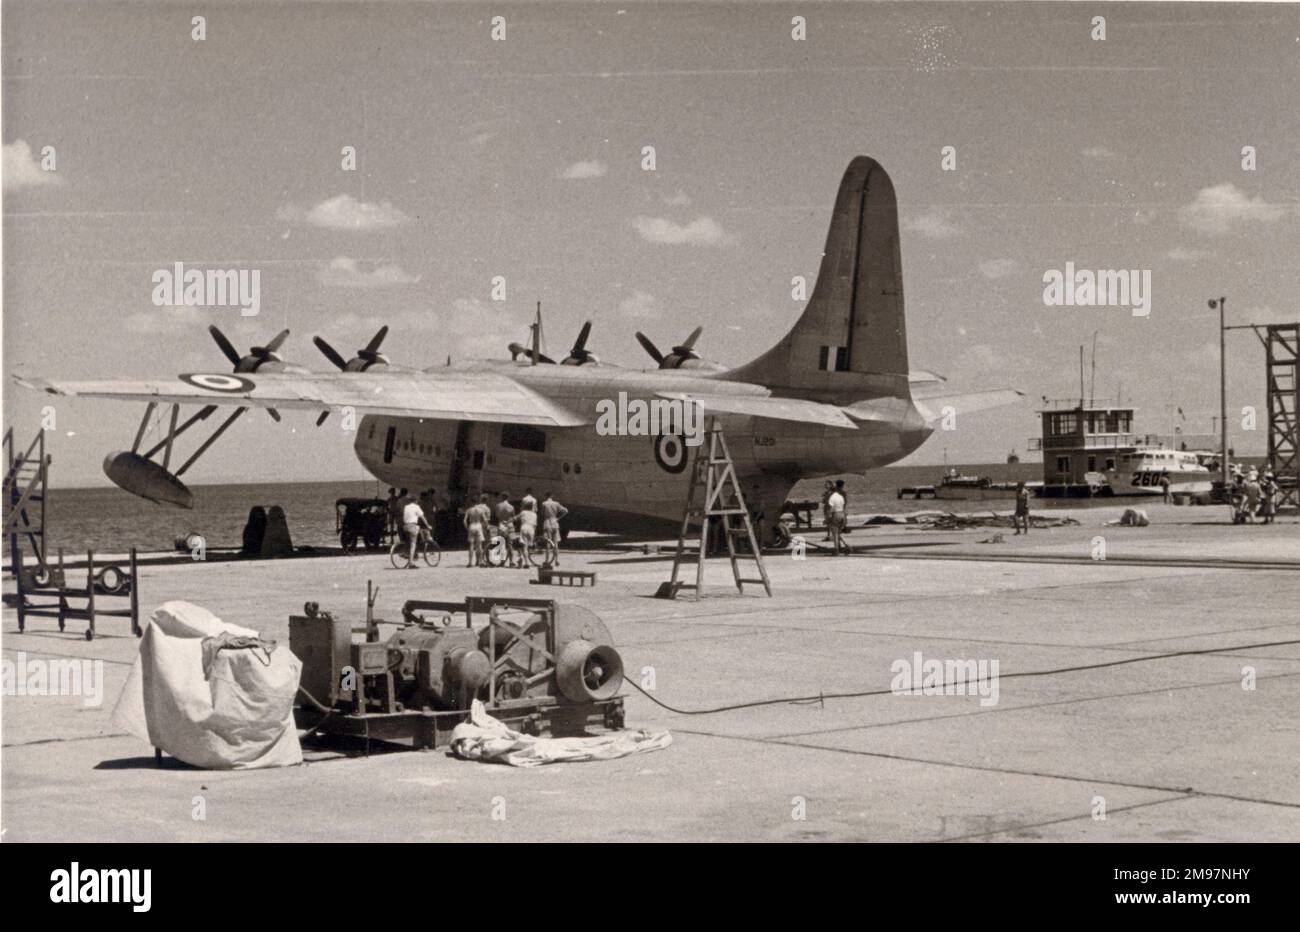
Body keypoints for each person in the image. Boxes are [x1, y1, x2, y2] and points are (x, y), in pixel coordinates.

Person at [400, 493, 429, 568]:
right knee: (413, 544)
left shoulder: (406, 507)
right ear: (416, 501)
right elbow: (422, 517)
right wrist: (428, 525)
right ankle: (411, 563)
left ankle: (405, 552)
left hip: (405, 526)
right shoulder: (416, 507)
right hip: (413, 525)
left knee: (408, 541)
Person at [464, 494, 492, 567]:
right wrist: (486, 526)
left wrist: (467, 528)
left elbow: (464, 521)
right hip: (479, 525)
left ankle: (470, 562)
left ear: (471, 502)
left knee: (471, 545)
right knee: (480, 545)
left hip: (472, 525)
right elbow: (485, 520)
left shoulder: (469, 510)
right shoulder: (481, 510)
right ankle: (481, 561)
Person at [541, 492, 568, 564]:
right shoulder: (556, 503)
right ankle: (556, 560)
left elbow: (542, 514)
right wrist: (558, 518)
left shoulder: (544, 504)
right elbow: (566, 511)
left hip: (547, 522)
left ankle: (547, 560)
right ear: (552, 496)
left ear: (546, 496)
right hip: (555, 522)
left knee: (548, 542)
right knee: (556, 543)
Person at [495, 491, 518, 568]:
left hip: (501, 524)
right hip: (509, 525)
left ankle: (502, 561)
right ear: (508, 497)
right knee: (510, 544)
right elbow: (513, 517)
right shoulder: (511, 507)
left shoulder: (498, 506)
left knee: (501, 543)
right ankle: (511, 561)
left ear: (502, 497)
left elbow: (497, 515)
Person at [826, 483, 847, 555]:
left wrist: (828, 517)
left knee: (834, 534)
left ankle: (836, 550)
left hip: (836, 514)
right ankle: (847, 546)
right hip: (842, 514)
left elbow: (831, 508)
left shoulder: (832, 498)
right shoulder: (841, 497)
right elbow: (843, 506)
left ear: (831, 491)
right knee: (839, 533)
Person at [517, 500, 539, 566]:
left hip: (524, 528)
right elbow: (535, 525)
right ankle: (532, 547)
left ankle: (526, 563)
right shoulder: (534, 514)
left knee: (524, 546)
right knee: (529, 545)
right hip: (531, 529)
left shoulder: (523, 512)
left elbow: (515, 518)